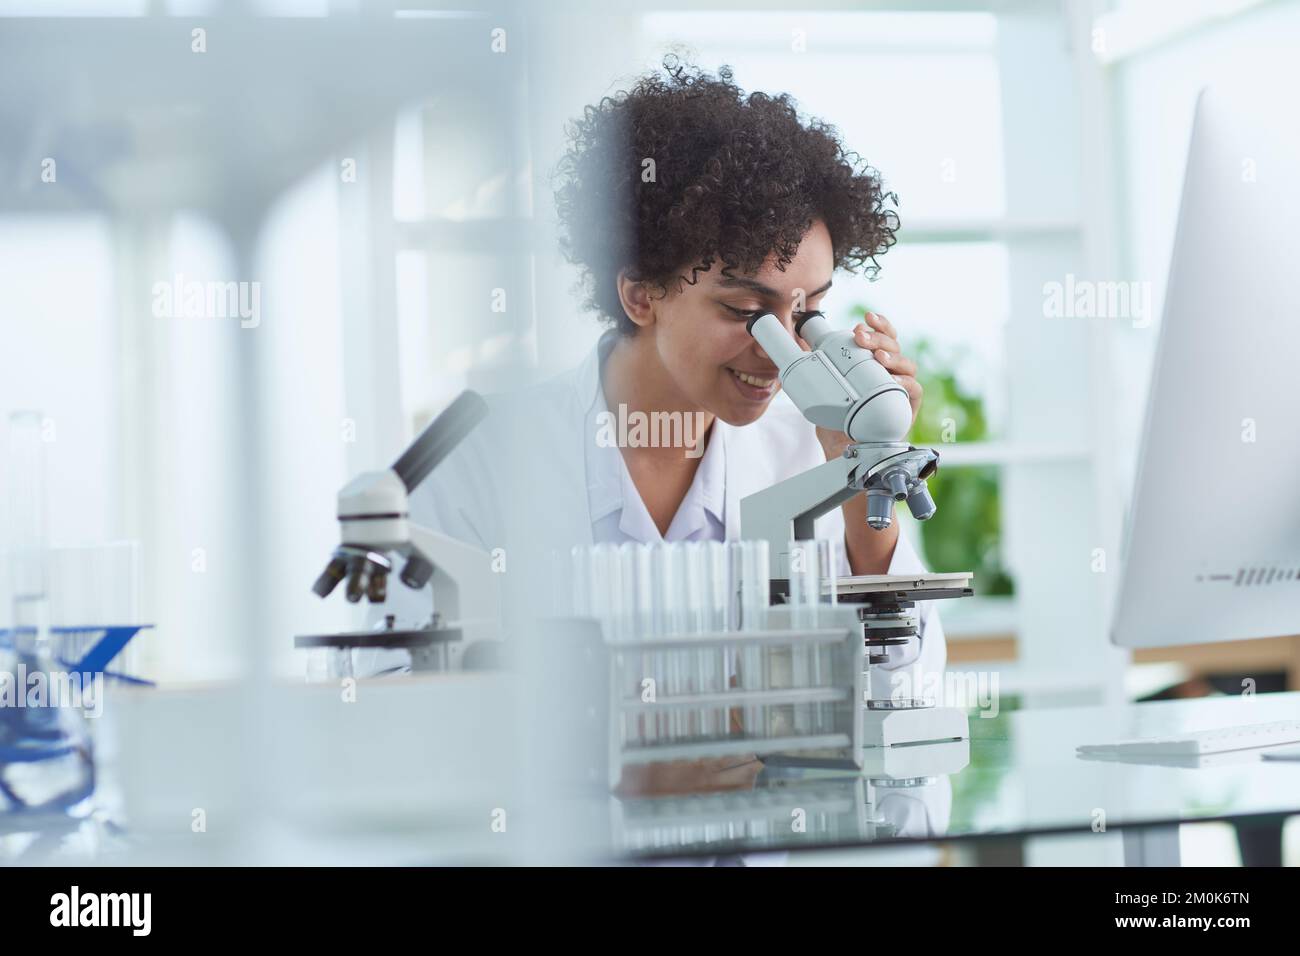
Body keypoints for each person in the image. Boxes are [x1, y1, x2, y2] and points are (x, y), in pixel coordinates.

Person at [382, 57, 947, 798]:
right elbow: (386, 714)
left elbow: (906, 724)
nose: (782, 348)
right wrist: (606, 777)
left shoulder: (806, 450)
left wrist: (856, 496)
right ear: (641, 294)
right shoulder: (482, 461)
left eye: (806, 312)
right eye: (745, 312)